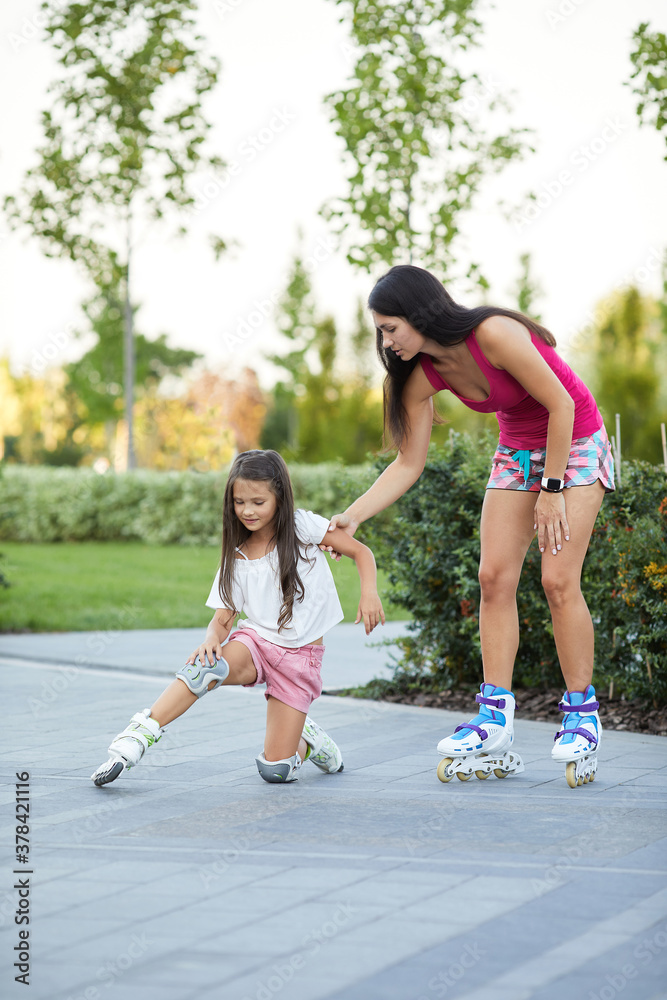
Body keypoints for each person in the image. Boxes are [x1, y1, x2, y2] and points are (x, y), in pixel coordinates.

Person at [323, 265, 614, 788]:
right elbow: (407, 465)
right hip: (518, 452)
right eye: (380, 331)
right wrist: (354, 514)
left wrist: (550, 491)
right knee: (493, 579)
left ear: (419, 313)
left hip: (575, 443)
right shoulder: (420, 375)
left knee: (557, 581)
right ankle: (495, 717)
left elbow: (562, 404)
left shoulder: (494, 333)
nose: (384, 341)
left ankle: (582, 714)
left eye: (390, 328)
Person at [91, 449, 385, 787]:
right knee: (204, 667)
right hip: (256, 645)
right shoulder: (237, 555)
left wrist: (369, 592)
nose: (247, 510)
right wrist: (211, 640)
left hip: (301, 659)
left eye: (258, 502)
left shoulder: (301, 526)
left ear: (279, 497)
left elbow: (360, 551)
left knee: (276, 771)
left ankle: (307, 741)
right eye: (239, 501)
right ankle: (140, 733)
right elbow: (223, 617)